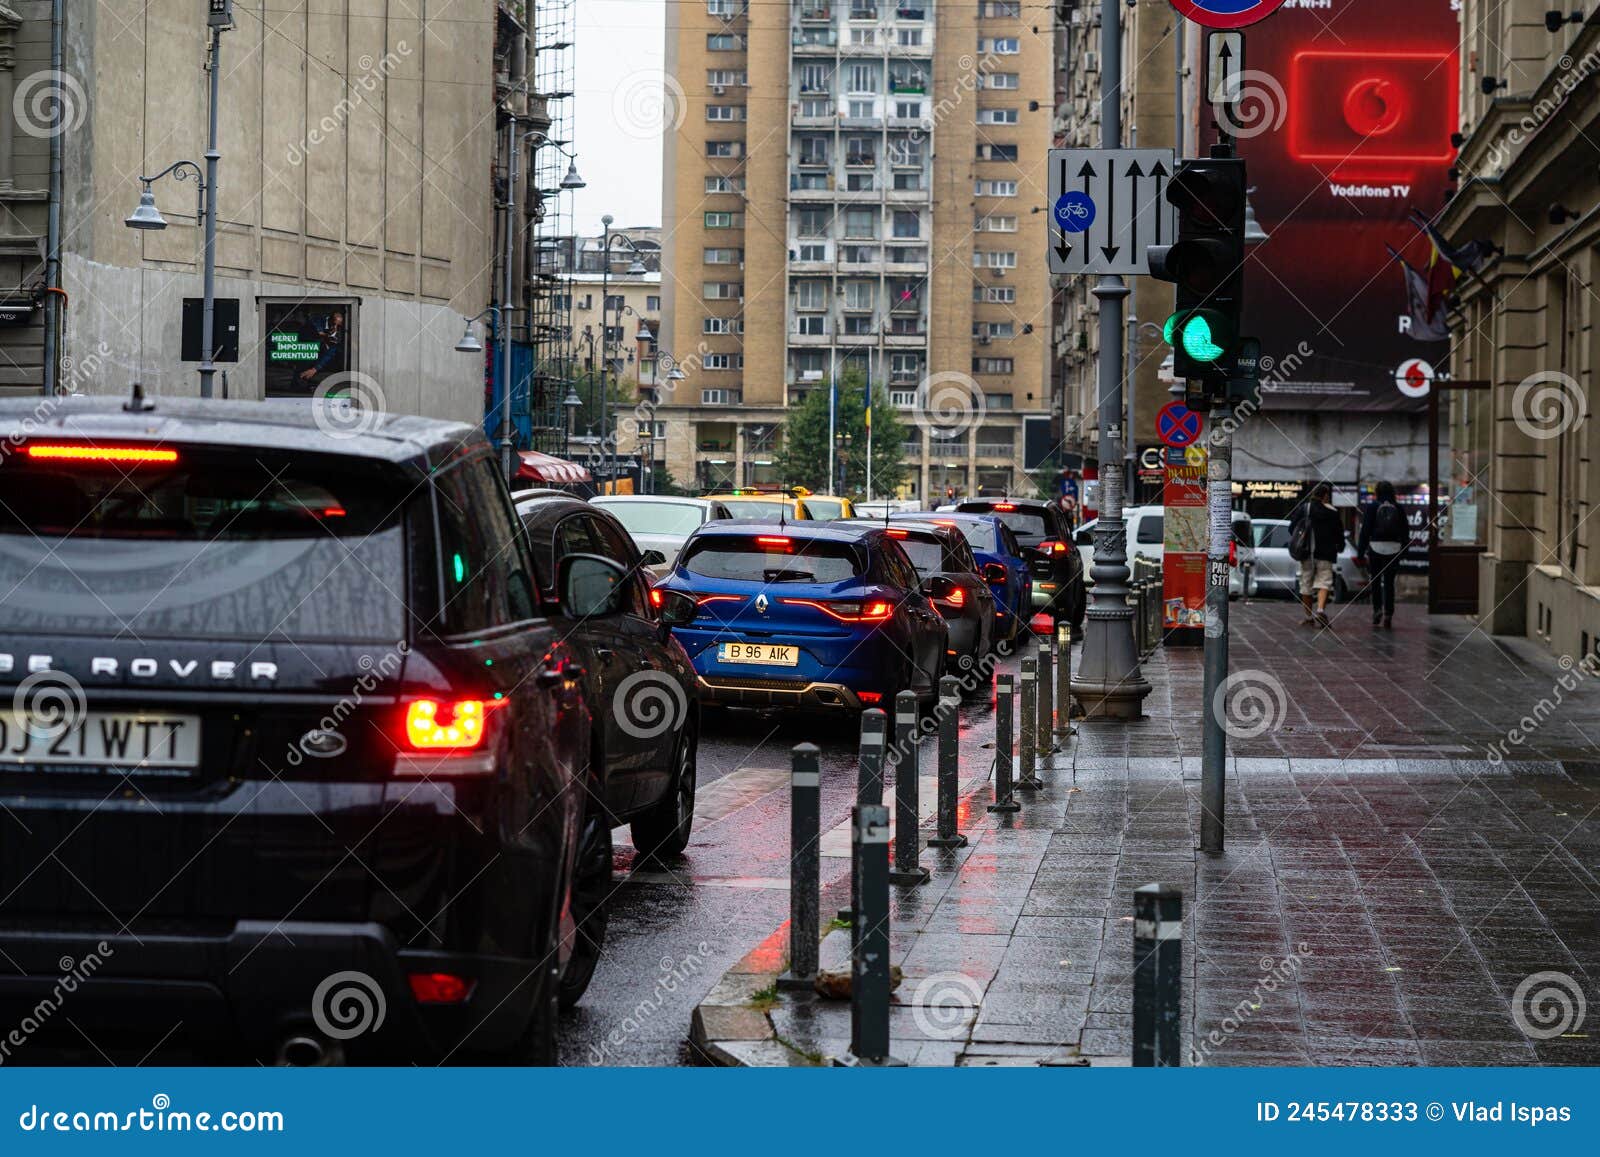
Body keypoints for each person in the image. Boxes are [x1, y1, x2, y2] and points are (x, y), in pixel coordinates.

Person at [1290, 482, 1345, 628]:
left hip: (1306, 553)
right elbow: (1339, 534)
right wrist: (1340, 546)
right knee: (1324, 582)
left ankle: (1308, 617)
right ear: (1325, 496)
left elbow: (1292, 528)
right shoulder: (1333, 512)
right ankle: (1320, 610)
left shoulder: (1305, 509)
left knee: (1306, 584)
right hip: (1326, 553)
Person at [1357, 480, 1408, 628]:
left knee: (1376, 581)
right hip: (1394, 548)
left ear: (1377, 492)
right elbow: (1405, 530)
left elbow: (1365, 531)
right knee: (1389, 583)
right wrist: (1404, 549)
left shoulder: (1373, 507)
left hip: (1375, 548)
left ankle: (1377, 610)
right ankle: (1388, 614)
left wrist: (1361, 551)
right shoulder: (1398, 507)